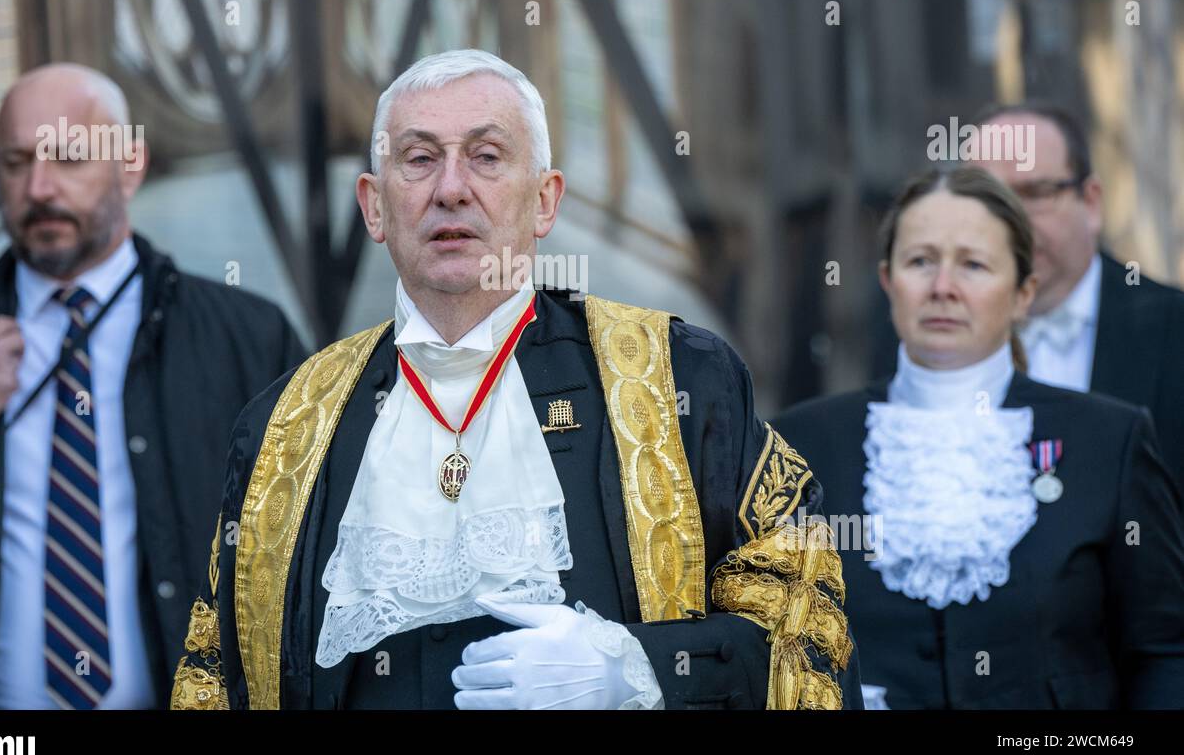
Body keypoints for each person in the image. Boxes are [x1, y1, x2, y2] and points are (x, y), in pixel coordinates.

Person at [170, 49, 860, 710]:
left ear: (544, 201)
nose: (450, 189)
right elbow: (214, 674)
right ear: (374, 207)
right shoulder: (285, 427)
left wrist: (638, 670)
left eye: (487, 157)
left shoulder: (679, 379)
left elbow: (806, 617)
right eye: (418, 160)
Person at [0, 63, 307, 709]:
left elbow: (318, 543)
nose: (39, 187)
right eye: (17, 162)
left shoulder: (245, 337)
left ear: (130, 165)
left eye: (69, 158)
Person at [778, 165, 1184, 708]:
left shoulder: (1109, 440)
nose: (943, 287)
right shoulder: (800, 442)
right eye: (920, 261)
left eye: (973, 264)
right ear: (887, 280)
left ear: (1023, 293)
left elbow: (1163, 653)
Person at [873, 102, 1184, 489]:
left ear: (1090, 202)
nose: (1009, 218)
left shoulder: (1173, 327)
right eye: (986, 197)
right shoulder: (918, 326)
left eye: (1034, 192)